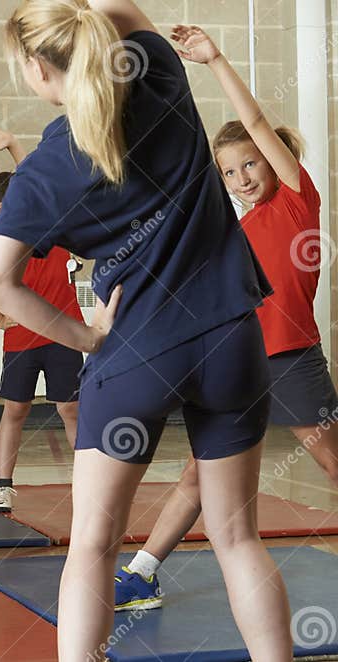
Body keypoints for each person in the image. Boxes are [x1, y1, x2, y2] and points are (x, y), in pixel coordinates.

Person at [0, 1, 292, 658]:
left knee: (94, 543)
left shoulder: (43, 169)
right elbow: (120, 10)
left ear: (38, 70)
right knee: (238, 538)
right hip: (230, 338)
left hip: (133, 357)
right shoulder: (157, 75)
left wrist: (85, 336)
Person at [114, 24, 338, 613]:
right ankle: (142, 572)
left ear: (271, 161)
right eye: (229, 173)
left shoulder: (296, 199)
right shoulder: (239, 228)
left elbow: (257, 124)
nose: (240, 180)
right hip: (237, 361)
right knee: (199, 473)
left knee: (328, 457)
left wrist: (214, 61)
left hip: (290, 357)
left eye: (248, 166)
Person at [0, 125, 83, 513]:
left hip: (63, 335)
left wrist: (14, 143)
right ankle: (3, 485)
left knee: (70, 409)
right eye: (3, 212)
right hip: (21, 342)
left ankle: (89, 482)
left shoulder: (52, 229)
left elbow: (33, 179)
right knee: (15, 410)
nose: (11, 214)